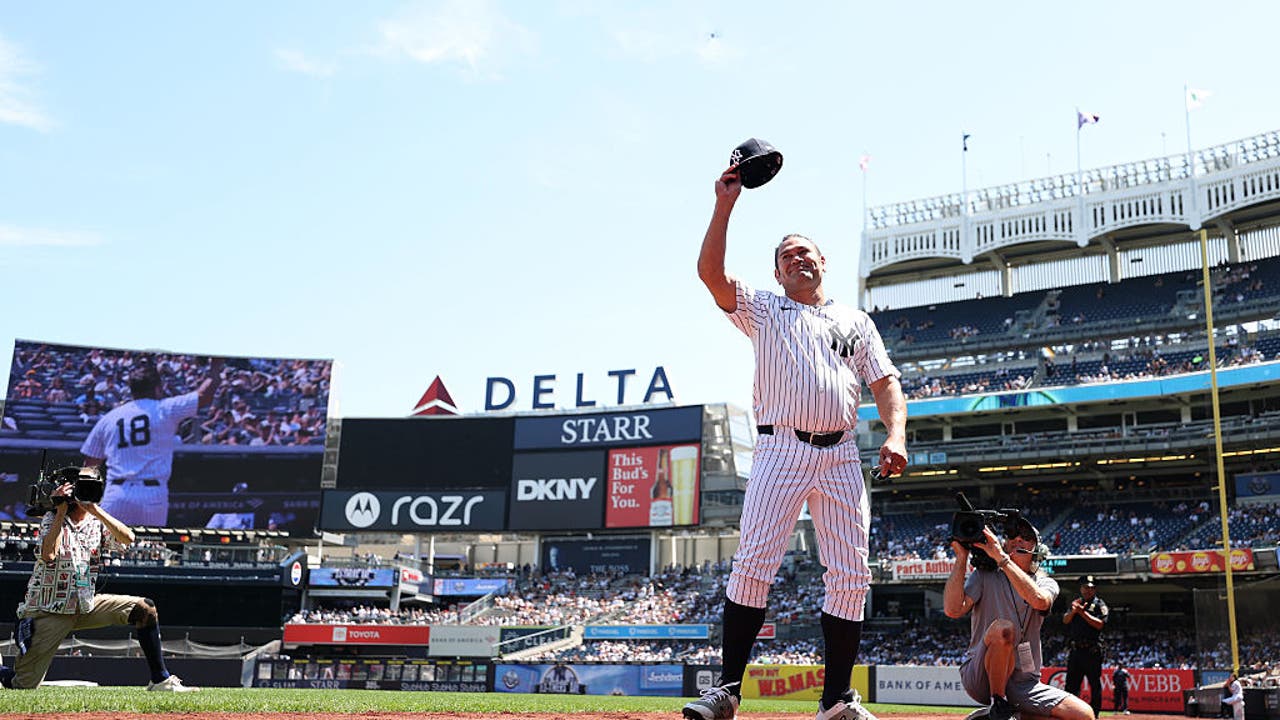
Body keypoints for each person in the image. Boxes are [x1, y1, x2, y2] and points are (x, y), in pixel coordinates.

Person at [683, 164, 907, 720]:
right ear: (778, 274)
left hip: (841, 453)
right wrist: (724, 205)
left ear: (823, 261)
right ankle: (726, 692)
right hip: (781, 447)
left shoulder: (856, 320)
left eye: (805, 252)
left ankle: (836, 701)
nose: (798, 259)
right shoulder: (765, 308)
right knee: (754, 564)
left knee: (851, 575)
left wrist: (896, 434)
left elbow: (885, 383)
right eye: (787, 257)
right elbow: (711, 275)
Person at [0, 468, 197, 691]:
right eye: (82, 487)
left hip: (85, 604)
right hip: (49, 610)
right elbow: (49, 555)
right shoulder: (52, 518)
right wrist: (60, 510)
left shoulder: (96, 522)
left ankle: (160, 680)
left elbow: (128, 538)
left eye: (92, 487)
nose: (87, 491)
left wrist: (94, 509)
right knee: (23, 685)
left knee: (144, 609)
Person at [943, 519, 1092, 720]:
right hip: (981, 675)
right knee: (1003, 629)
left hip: (1023, 682)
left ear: (1037, 550)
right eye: (1011, 535)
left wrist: (1003, 560)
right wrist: (961, 558)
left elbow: (1039, 601)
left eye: (1026, 537)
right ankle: (998, 705)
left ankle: (1005, 716)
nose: (1018, 539)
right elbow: (953, 610)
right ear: (1004, 544)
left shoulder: (1046, 582)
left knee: (1083, 715)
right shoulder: (984, 575)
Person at [80, 356, 222, 526]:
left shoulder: (109, 418)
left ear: (132, 390)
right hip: (152, 495)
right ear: (158, 389)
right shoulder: (165, 409)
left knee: (109, 543)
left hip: (117, 493)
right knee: (149, 543)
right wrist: (216, 366)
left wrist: (85, 502)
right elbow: (204, 395)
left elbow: (90, 464)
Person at [1063, 575, 1109, 716]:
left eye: (1091, 588)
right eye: (1085, 587)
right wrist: (1074, 611)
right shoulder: (1075, 603)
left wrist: (1082, 613)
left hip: (1091, 651)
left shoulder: (1100, 605)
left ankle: (1094, 715)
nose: (1088, 590)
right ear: (1081, 589)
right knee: (1071, 686)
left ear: (1094, 590)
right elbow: (1065, 620)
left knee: (1094, 685)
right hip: (1076, 651)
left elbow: (1100, 624)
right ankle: (1070, 714)